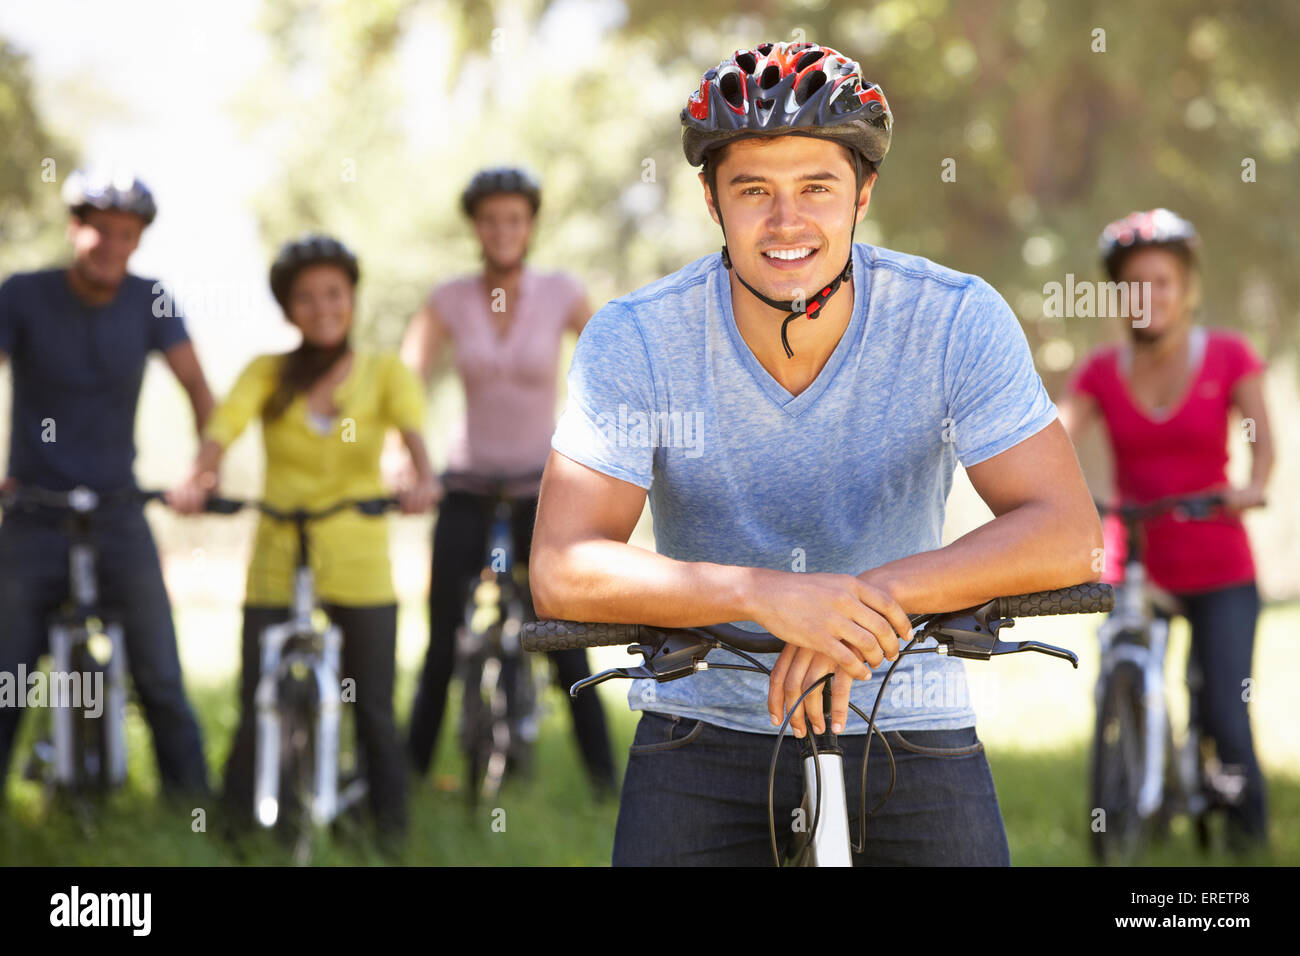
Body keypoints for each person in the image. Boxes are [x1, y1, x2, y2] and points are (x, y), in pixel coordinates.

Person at [528, 41, 1103, 865]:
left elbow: (1067, 532)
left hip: (908, 722)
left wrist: (862, 602)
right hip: (702, 729)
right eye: (754, 190)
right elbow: (562, 566)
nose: (786, 221)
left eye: (817, 188)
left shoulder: (953, 319)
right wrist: (767, 596)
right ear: (710, 199)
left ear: (863, 194)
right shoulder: (636, 338)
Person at [169, 235, 437, 841]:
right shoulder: (268, 373)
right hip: (277, 553)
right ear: (289, 309)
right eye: (306, 298)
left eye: (334, 294)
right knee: (255, 696)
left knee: (370, 705)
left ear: (352, 300)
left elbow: (418, 446)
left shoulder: (384, 373)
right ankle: (238, 831)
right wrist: (201, 471)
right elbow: (225, 424)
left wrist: (423, 482)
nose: (322, 307)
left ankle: (387, 835)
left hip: (359, 556)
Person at [1059, 208, 1273, 853]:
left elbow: (1263, 442)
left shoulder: (1230, 355)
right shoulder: (1099, 371)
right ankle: (1136, 789)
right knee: (1121, 677)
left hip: (1218, 563)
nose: (1147, 298)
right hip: (1138, 557)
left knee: (1224, 718)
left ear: (1188, 292)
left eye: (1162, 282)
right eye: (1133, 285)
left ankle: (1248, 838)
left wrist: (1253, 487)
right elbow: (1054, 437)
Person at [400, 167, 616, 795]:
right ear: (476, 226)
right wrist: (401, 456)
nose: (502, 230)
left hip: (539, 489)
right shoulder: (449, 299)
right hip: (465, 485)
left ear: (530, 226)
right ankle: (409, 781)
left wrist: (611, 434)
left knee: (562, 639)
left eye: (513, 219)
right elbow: (406, 381)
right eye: (490, 219)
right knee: (442, 641)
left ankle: (607, 786)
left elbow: (613, 355)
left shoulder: (559, 293)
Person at [0, 168, 212, 800]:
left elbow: (200, 390)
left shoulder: (152, 299)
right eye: (99, 230)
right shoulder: (23, 293)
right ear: (75, 229)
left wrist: (203, 469)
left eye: (127, 233)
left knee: (162, 677)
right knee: (7, 674)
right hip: (34, 512)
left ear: (138, 240)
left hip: (119, 512)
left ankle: (192, 815)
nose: (112, 244)